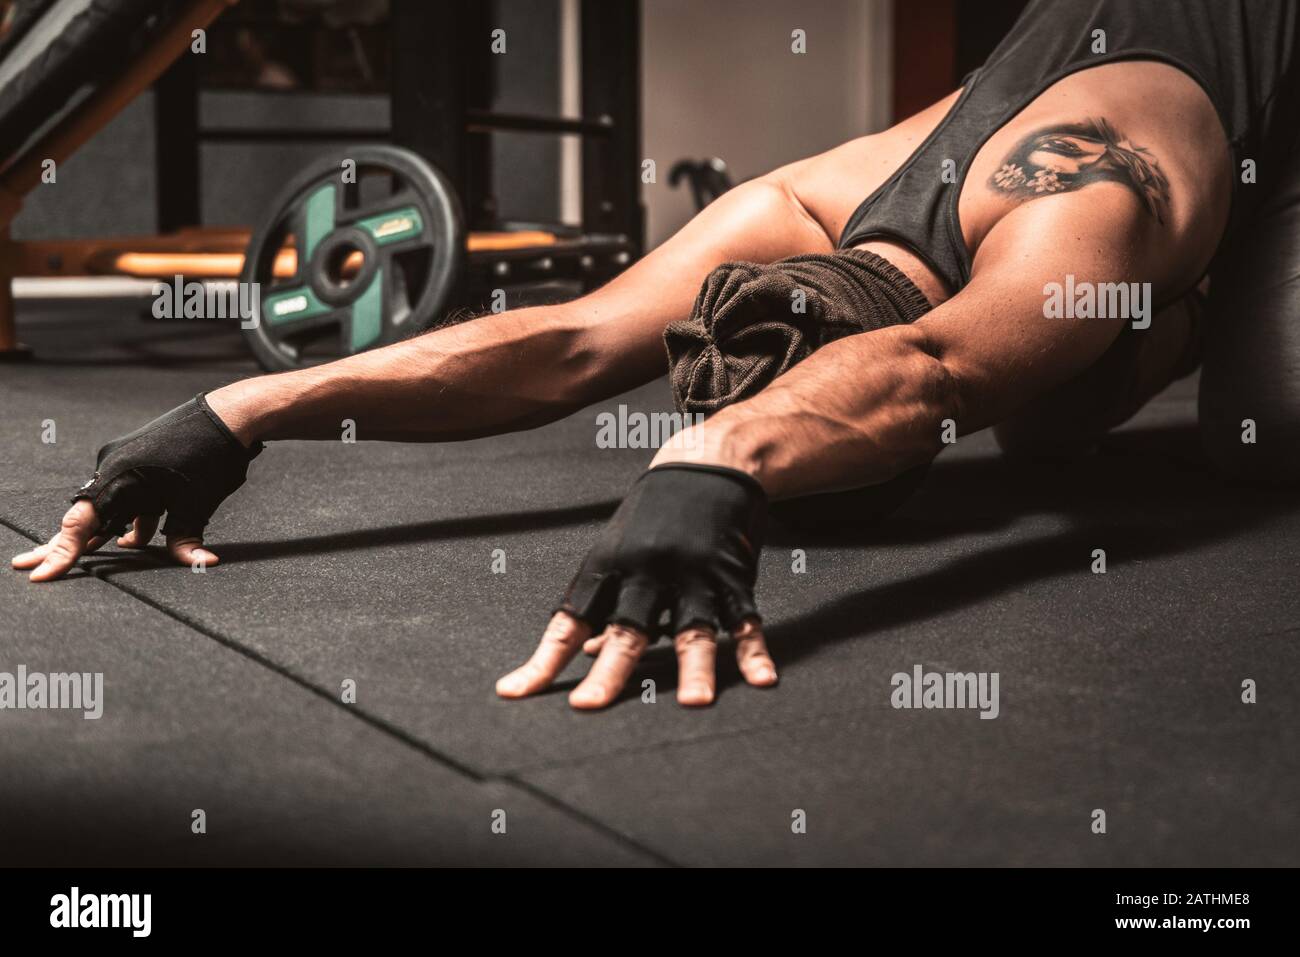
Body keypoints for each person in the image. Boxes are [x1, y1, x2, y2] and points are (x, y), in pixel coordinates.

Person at [13, 0, 1300, 710]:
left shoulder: (1086, 213)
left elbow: (936, 376)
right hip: (1122, 140)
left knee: (1258, 434)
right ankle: (1173, 308)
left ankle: (1203, 280)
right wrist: (241, 408)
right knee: (1058, 426)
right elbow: (568, 343)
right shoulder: (791, 214)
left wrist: (714, 461)